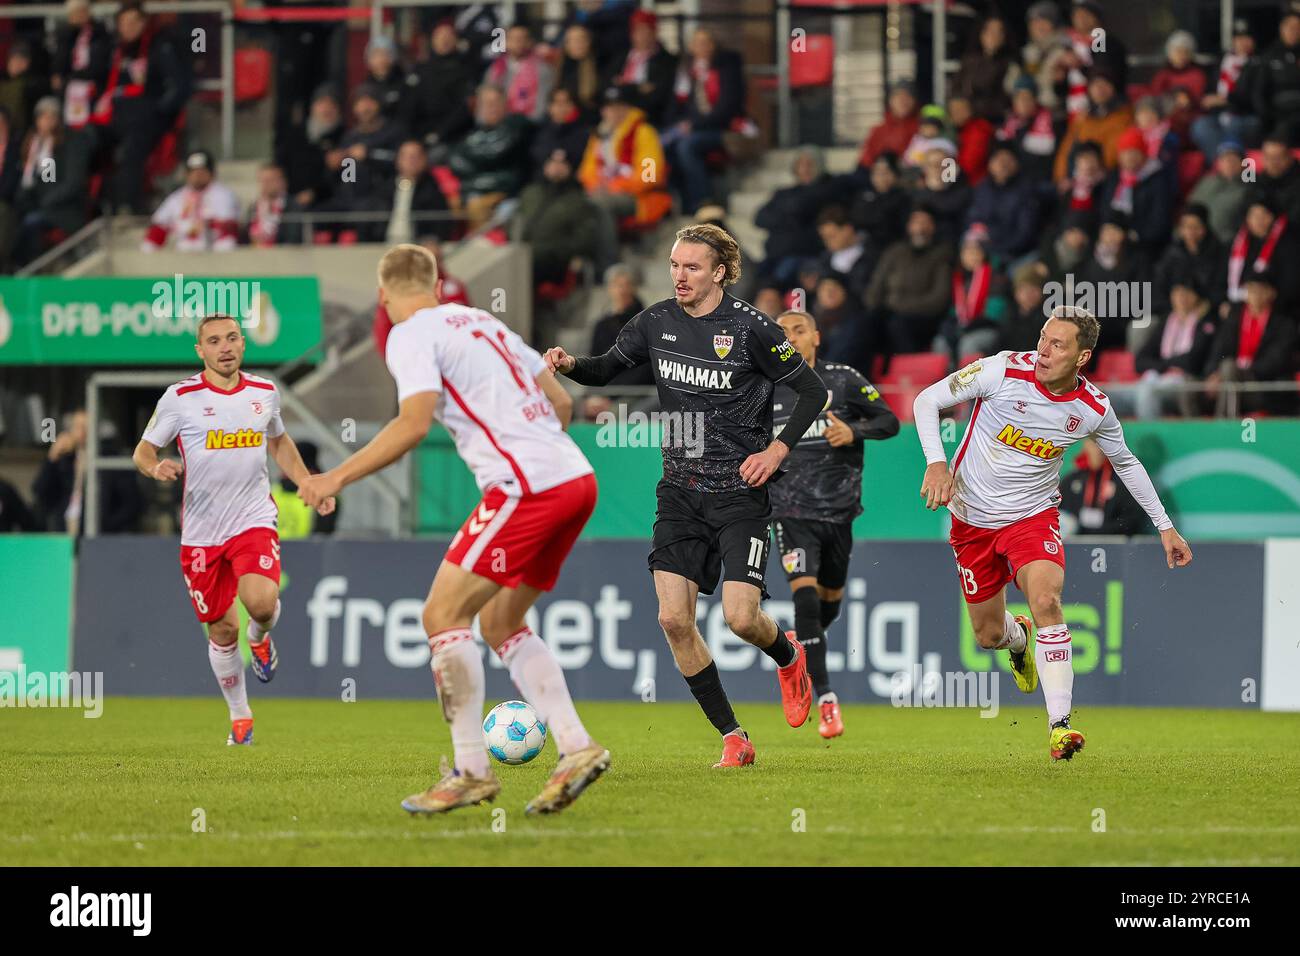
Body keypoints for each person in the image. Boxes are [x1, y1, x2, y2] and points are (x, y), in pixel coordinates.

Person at [297, 244, 609, 815]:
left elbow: (413, 423)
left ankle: (470, 771)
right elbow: (560, 400)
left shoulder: (410, 334)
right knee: (501, 621)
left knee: (441, 616)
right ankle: (577, 747)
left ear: (384, 294)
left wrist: (334, 477)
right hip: (575, 480)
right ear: (438, 285)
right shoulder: (485, 323)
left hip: (527, 488)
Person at [542, 223, 829, 768]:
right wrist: (571, 364)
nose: (679, 275)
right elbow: (607, 367)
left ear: (719, 272)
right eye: (675, 265)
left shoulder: (752, 330)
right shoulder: (656, 321)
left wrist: (776, 451)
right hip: (679, 491)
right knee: (674, 620)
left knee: (742, 619)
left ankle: (788, 656)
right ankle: (733, 737)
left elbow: (812, 391)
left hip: (740, 494)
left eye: (691, 267)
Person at [913, 307, 1193, 761]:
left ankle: (1060, 727)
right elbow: (926, 401)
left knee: (1046, 600)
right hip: (972, 520)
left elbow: (1124, 461)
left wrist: (1165, 526)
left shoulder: (1093, 408)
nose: (1043, 349)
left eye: (1057, 345)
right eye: (1043, 338)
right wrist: (936, 461)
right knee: (987, 635)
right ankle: (1018, 638)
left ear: (1081, 357)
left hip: (1032, 517)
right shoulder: (1000, 369)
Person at [133, 315, 335, 745]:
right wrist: (155, 466)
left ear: (243, 344)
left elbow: (279, 441)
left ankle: (260, 639)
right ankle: (240, 717)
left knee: (260, 604)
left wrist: (307, 484)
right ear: (199, 351)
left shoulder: (265, 392)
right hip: (202, 533)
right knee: (222, 630)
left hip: (252, 519)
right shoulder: (180, 398)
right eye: (213, 341)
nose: (224, 347)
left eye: (231, 338)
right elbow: (144, 450)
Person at [769, 310, 899, 738]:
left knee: (828, 608)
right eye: (782, 331)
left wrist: (854, 432)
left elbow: (889, 422)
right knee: (805, 603)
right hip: (789, 512)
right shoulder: (766, 385)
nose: (790, 337)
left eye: (798, 330)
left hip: (839, 514)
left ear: (816, 337)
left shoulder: (842, 379)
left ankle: (795, 650)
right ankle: (825, 699)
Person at [1204, 270, 1299, 417]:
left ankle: (1224, 426)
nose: (1255, 294)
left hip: (1261, 385)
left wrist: (1241, 371)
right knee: (1189, 388)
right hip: (1228, 378)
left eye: (1260, 290)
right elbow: (1218, 350)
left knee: (1229, 368)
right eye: (1250, 289)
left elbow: (1276, 361)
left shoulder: (1284, 324)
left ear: (1271, 293)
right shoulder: (1233, 319)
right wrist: (1213, 373)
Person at [142, 150, 239, 253]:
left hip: (214, 250)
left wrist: (205, 224)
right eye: (193, 171)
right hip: (184, 248)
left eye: (202, 171)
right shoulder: (176, 197)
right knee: (148, 246)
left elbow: (229, 226)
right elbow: (159, 224)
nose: (197, 175)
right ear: (186, 174)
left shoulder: (223, 195)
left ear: (212, 173)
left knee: (227, 244)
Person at [1058, 437, 1151, 536]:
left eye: (1102, 443)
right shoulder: (1071, 480)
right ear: (1085, 444)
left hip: (1114, 544)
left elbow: (1132, 520)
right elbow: (1058, 513)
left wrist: (1100, 533)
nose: (1097, 448)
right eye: (1093, 442)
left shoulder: (1125, 480)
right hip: (1076, 543)